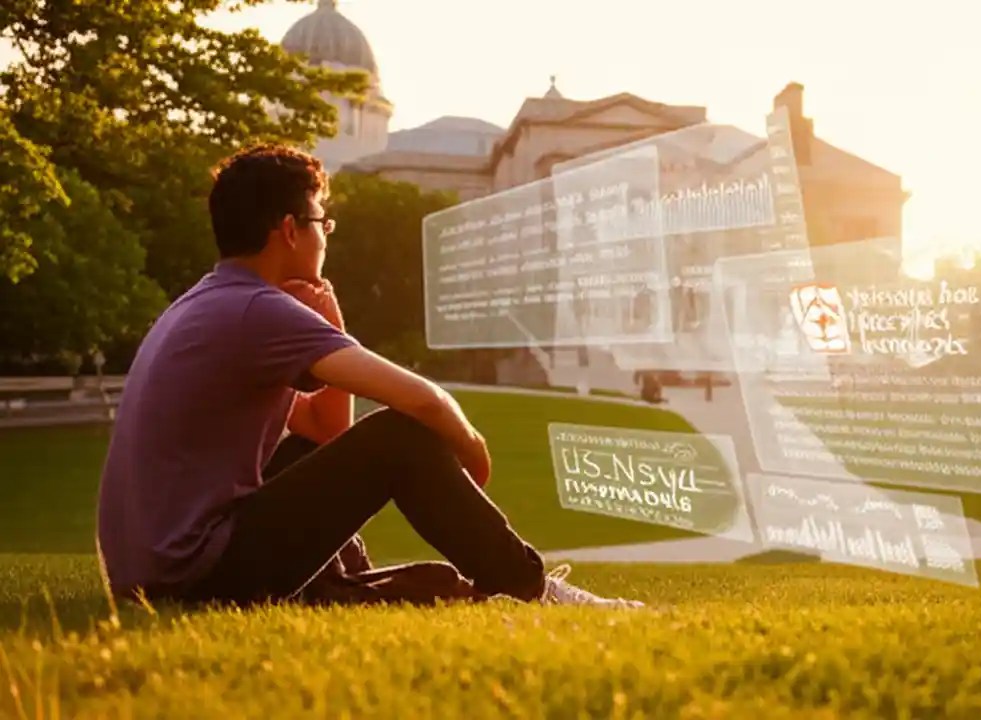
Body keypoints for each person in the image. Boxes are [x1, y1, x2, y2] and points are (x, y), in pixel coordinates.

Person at [95, 144, 641, 609]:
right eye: (321, 223)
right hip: (195, 574)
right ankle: (531, 587)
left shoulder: (207, 302)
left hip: (152, 571)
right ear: (290, 230)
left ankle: (352, 585)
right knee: (399, 435)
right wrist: (470, 446)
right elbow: (421, 400)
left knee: (311, 451)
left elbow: (324, 430)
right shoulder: (256, 309)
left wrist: (328, 319)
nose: (325, 235)